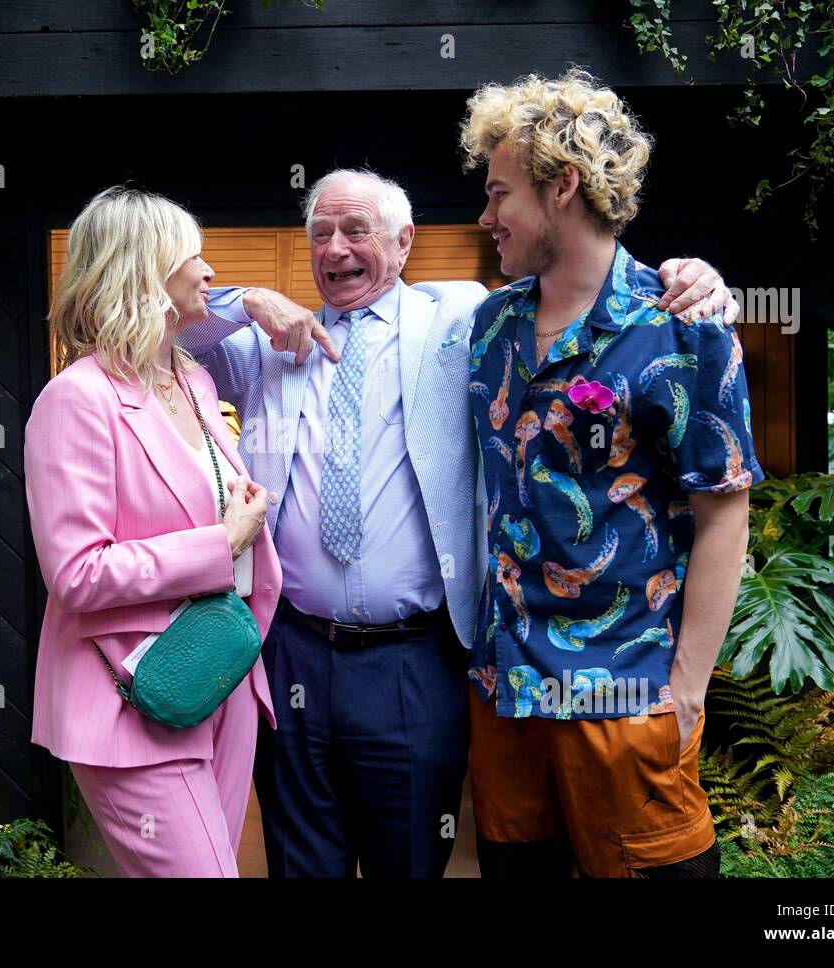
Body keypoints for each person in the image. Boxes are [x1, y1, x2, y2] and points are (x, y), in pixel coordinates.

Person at [182, 167, 737, 877]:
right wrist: (246, 300)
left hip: (415, 658)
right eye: (320, 233)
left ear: (405, 241)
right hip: (290, 647)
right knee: (300, 861)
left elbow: (580, 280)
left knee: (411, 858)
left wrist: (690, 276)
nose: (334, 249)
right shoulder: (269, 345)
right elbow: (170, 335)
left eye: (356, 230)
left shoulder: (465, 318)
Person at [460, 68, 760, 877]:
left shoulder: (682, 332)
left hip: (624, 695)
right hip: (506, 696)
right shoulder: (489, 325)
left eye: (499, 194)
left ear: (563, 186)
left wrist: (688, 688)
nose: (485, 216)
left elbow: (725, 512)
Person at [23, 185, 279, 877]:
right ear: (143, 271)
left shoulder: (192, 380)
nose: (209, 272)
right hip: (132, 696)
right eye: (191, 256)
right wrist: (221, 543)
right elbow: (77, 574)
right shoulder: (76, 400)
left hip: (220, 675)